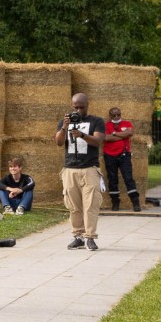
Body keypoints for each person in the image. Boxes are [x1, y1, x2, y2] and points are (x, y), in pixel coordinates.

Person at [56, 93, 105, 250]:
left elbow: (97, 141)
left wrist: (82, 135)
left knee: (91, 204)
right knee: (73, 206)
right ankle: (78, 237)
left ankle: (90, 237)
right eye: (75, 107)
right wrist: (64, 127)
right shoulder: (65, 122)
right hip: (70, 169)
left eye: (81, 107)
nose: (78, 110)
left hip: (90, 168)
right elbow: (58, 142)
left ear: (87, 105)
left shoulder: (96, 121)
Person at [103, 107, 140, 212]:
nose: (116, 117)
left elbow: (130, 133)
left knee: (128, 178)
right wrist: (123, 135)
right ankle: (115, 202)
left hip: (124, 155)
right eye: (114, 115)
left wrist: (114, 134)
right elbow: (106, 138)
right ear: (110, 116)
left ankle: (135, 202)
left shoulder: (126, 123)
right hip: (109, 155)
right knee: (112, 179)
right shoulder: (106, 125)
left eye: (118, 115)